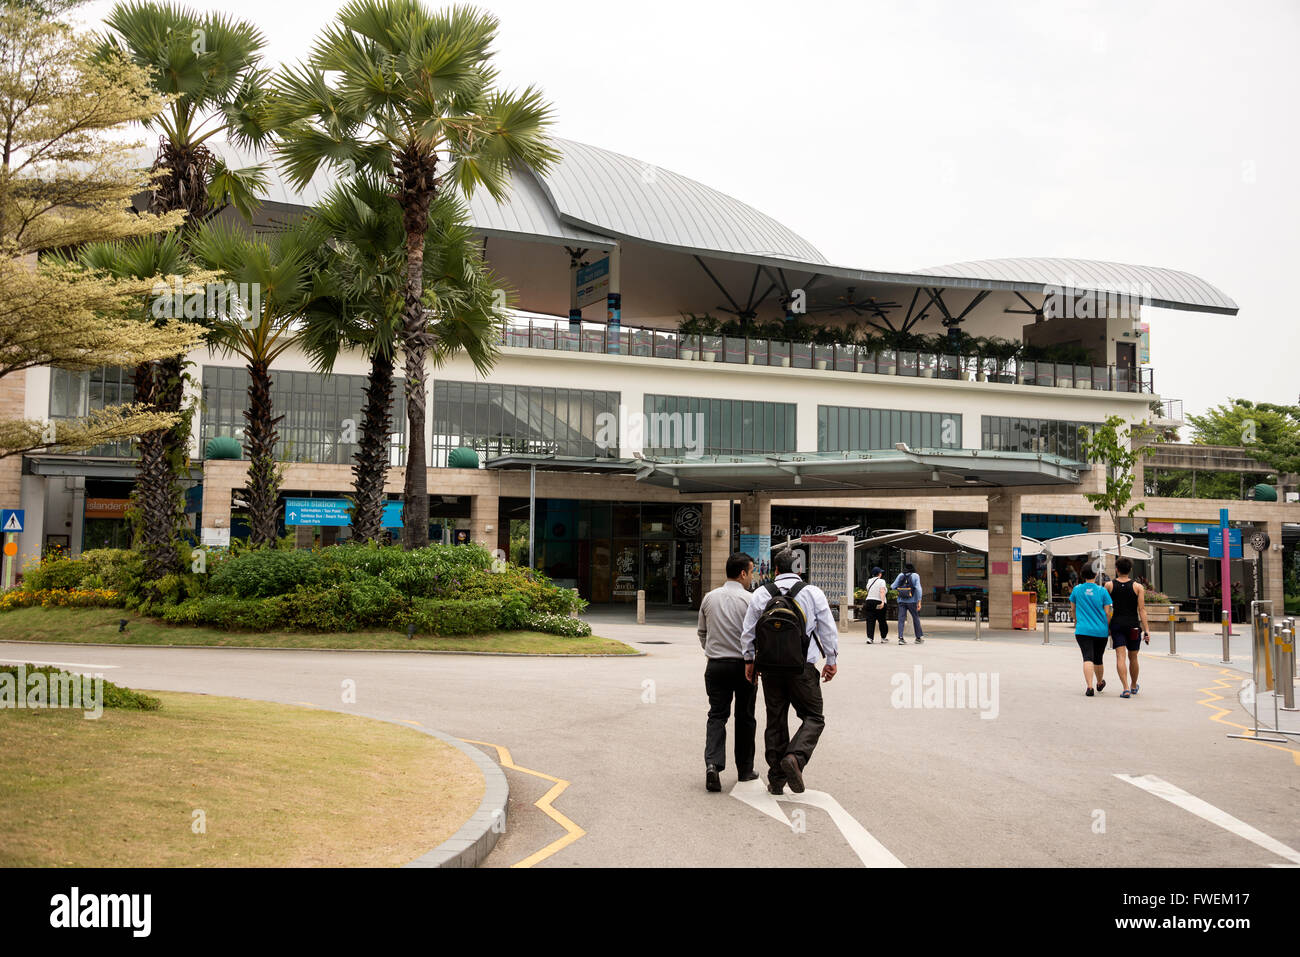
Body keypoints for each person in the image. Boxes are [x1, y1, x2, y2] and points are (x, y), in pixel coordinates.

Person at [741, 548, 839, 795]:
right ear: (798, 569)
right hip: (802, 668)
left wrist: (749, 661)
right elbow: (827, 627)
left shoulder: (761, 593)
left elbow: (749, 631)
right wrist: (831, 659)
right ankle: (795, 757)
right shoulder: (812, 592)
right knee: (814, 716)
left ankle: (776, 780)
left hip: (770, 669)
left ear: (775, 569)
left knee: (775, 719)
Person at [697, 552, 760, 792]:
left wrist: (712, 649)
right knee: (745, 717)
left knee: (717, 715)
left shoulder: (709, 598)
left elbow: (702, 632)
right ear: (743, 573)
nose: (751, 577)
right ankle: (745, 770)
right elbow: (756, 636)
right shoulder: (750, 600)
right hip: (745, 666)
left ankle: (713, 764)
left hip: (716, 665)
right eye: (751, 572)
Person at [1106, 556, 1150, 698]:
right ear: (1130, 570)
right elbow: (1142, 610)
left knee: (1120, 656)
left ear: (1117, 569)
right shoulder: (1138, 587)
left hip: (1117, 624)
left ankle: (1125, 688)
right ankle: (1133, 685)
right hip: (1133, 626)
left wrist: (1107, 626)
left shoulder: (1109, 586)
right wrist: (1147, 630)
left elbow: (1106, 608)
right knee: (1133, 657)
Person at [1070, 566, 1112, 696]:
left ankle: (1089, 687)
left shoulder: (1077, 590)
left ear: (1082, 575)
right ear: (1096, 575)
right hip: (1100, 630)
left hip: (1082, 630)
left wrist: (1076, 621)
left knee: (1087, 657)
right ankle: (1099, 682)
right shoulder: (1102, 591)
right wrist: (1108, 625)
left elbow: (1073, 609)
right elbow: (1108, 612)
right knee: (1098, 658)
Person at [892, 562, 925, 644]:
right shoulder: (915, 575)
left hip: (901, 601)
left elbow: (893, 586)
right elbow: (918, 589)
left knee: (901, 619)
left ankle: (900, 638)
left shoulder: (901, 575)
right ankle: (918, 638)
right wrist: (919, 601)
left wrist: (901, 589)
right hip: (912, 601)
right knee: (915, 618)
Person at [863, 565, 889, 644]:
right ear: (879, 574)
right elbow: (882, 591)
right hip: (878, 601)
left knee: (870, 620)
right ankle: (883, 637)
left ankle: (870, 638)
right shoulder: (882, 581)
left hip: (869, 601)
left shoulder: (869, 581)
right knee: (882, 620)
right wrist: (882, 602)